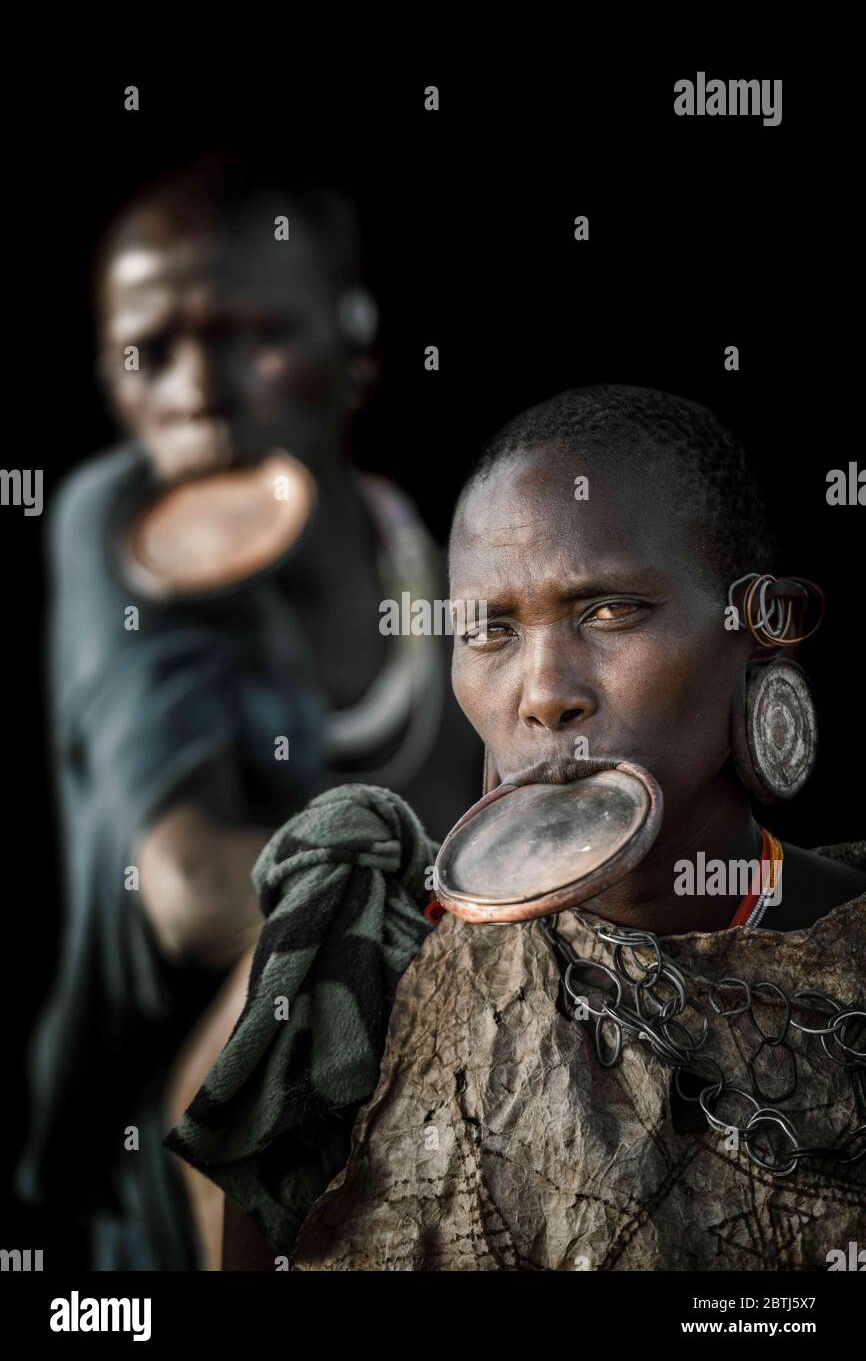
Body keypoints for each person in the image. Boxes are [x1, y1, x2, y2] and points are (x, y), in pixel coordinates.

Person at [166, 384, 864, 1271]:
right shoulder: (356, 974)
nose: (542, 695)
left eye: (608, 611)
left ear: (762, 624)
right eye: (490, 631)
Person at [16, 156, 481, 1270]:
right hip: (168, 1167)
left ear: (354, 347)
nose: (194, 391)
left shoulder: (426, 550)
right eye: (148, 351)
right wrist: (436, 928)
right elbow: (179, 891)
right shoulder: (116, 522)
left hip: (413, 1096)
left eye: (248, 335)